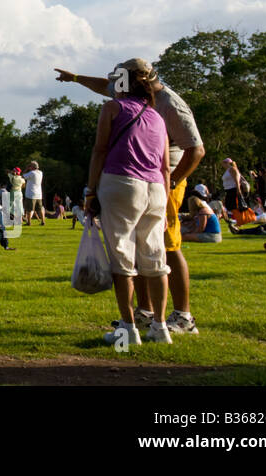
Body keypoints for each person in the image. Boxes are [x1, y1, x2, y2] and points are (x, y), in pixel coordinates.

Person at [57, 58, 206, 336]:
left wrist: (173, 183)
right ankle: (149, 315)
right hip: (156, 182)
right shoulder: (146, 106)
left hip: (160, 181)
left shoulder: (168, 104)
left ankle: (182, 316)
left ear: (133, 81)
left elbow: (196, 150)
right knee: (149, 253)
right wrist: (75, 77)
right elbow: (105, 86)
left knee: (166, 248)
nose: (113, 86)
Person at [83, 60, 172, 346]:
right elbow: (166, 168)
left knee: (122, 258)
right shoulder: (158, 117)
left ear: (120, 84)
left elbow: (99, 150)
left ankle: (128, 329)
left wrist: (90, 191)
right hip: (155, 188)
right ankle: (160, 327)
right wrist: (168, 205)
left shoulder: (112, 108)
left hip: (121, 183)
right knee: (156, 259)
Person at [24, 161, 46, 225]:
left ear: (32, 167)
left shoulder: (31, 173)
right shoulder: (40, 173)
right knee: (40, 208)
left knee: (29, 209)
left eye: (30, 166)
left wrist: (26, 169)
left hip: (31, 193)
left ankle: (29, 222)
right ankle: (43, 221)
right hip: (39, 194)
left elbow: (23, 176)